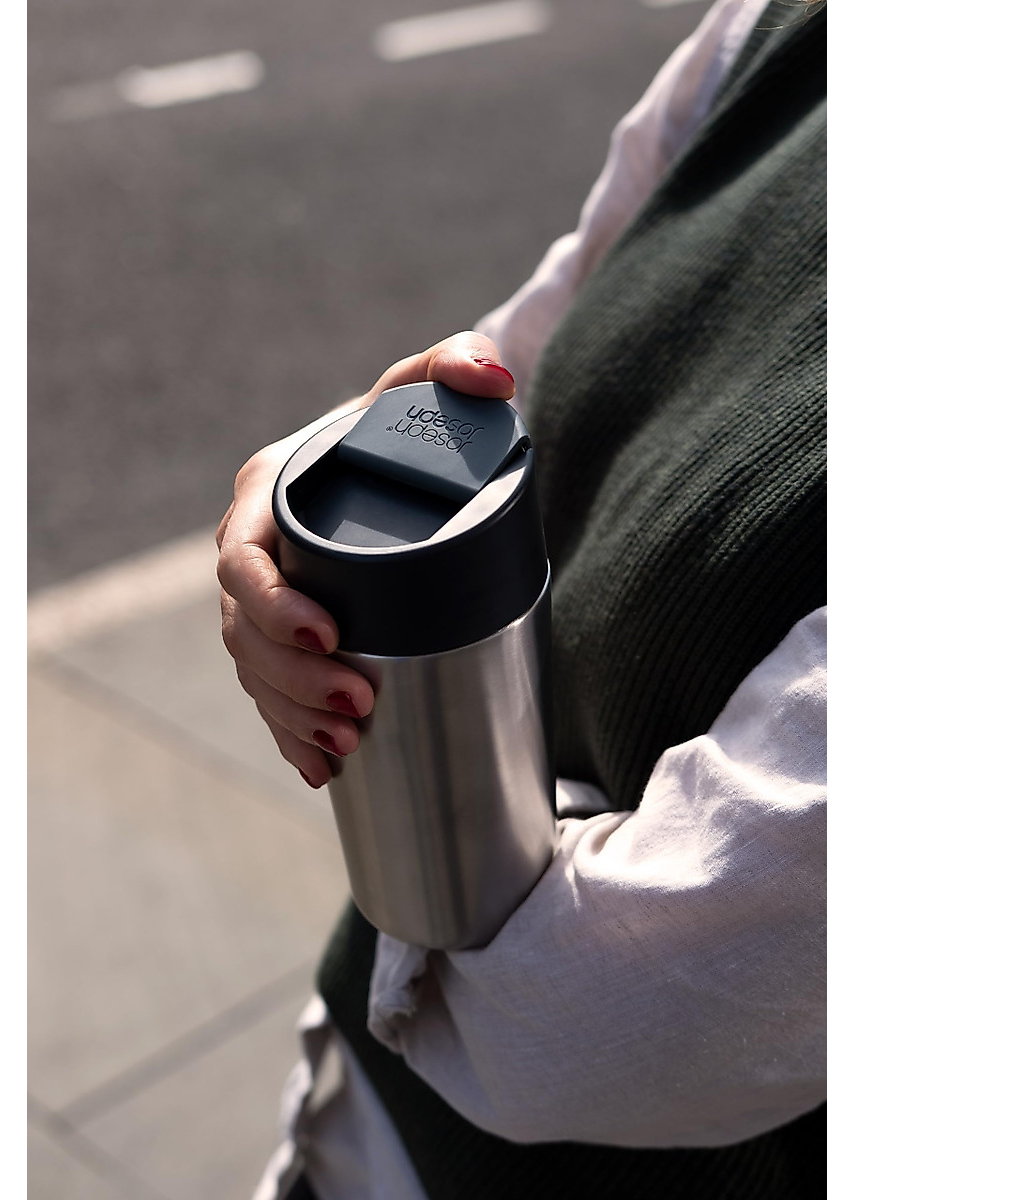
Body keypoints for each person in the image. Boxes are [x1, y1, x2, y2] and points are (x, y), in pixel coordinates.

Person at [217, 0, 826, 1195]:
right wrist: (303, 500)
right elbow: (507, 375)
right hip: (355, 1095)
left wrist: (436, 812)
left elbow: (610, 1025)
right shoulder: (785, 30)